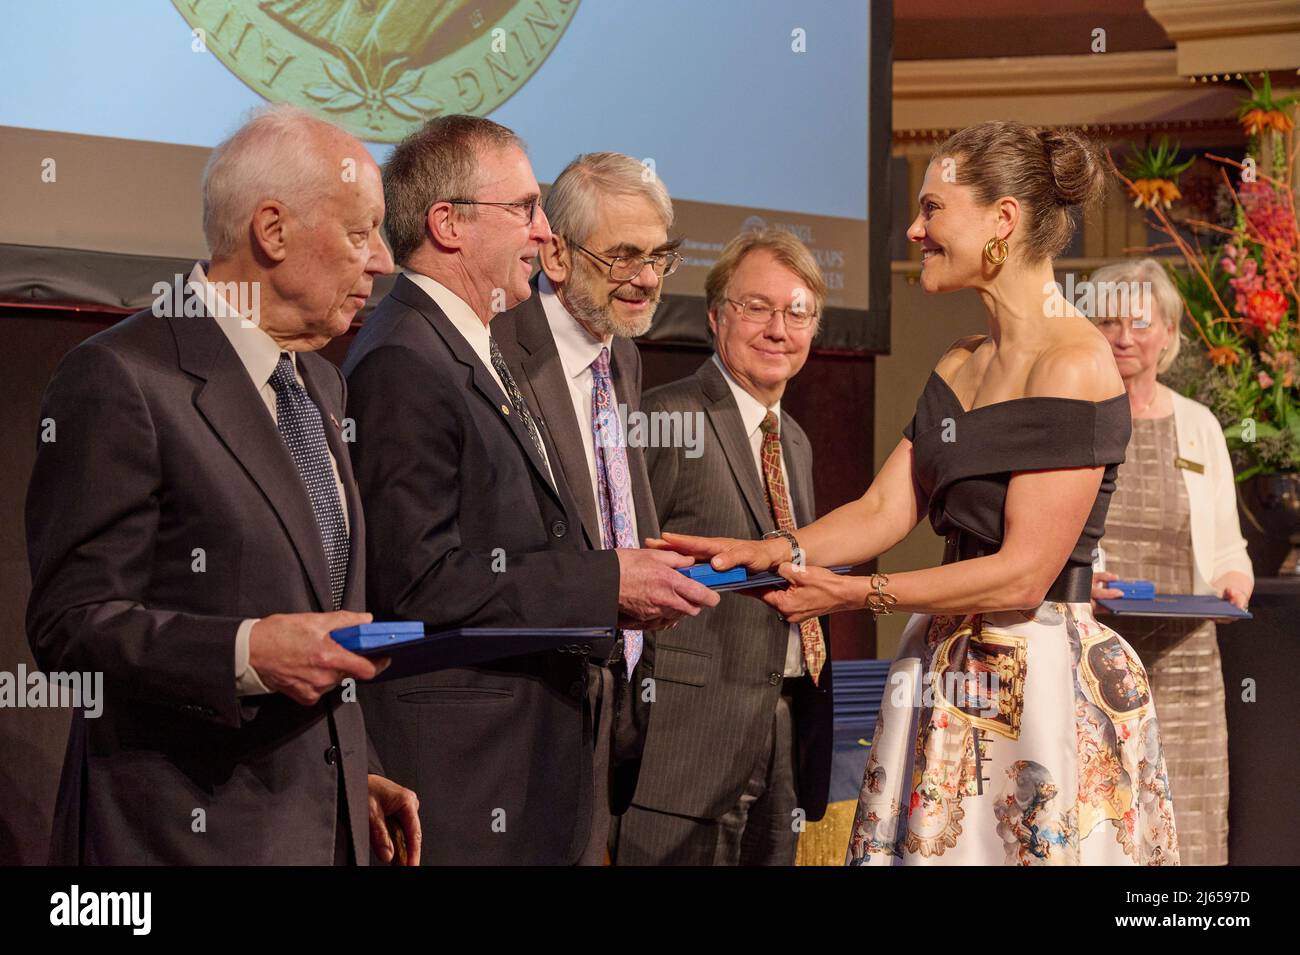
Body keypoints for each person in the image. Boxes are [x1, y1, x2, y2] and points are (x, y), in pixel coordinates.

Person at [661, 122, 1181, 865]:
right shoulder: (960, 361)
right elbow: (883, 509)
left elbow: (1023, 573)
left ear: (1002, 220)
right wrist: (775, 548)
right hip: (945, 660)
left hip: (1035, 680)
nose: (914, 229)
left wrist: (852, 596)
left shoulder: (1075, 363)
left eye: (933, 209)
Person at [24, 104, 420, 865]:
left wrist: (343, 776)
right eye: (361, 232)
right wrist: (248, 651)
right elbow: (70, 626)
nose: (381, 262)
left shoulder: (322, 385)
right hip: (172, 840)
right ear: (272, 231)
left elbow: (315, 616)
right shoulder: (121, 377)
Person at [343, 116, 717, 865]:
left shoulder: (468, 344)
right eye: (524, 208)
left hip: (533, 754)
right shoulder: (404, 359)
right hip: (460, 768)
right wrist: (607, 579)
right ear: (448, 224)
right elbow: (416, 579)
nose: (542, 231)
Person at [616, 228, 834, 866]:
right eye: (756, 307)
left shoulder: (793, 438)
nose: (778, 328)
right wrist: (630, 734)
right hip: (681, 748)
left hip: (787, 727)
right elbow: (626, 575)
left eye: (797, 313)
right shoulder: (664, 417)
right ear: (715, 317)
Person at [491, 152, 680, 861]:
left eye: (660, 255)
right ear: (559, 256)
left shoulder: (622, 357)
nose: (649, 277)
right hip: (527, 705)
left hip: (618, 693)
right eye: (626, 255)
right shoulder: (499, 349)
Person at [1088, 257, 1253, 865]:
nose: (1124, 337)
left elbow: (1228, 545)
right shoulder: (1079, 419)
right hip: (1099, 648)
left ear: (1168, 333)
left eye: (1138, 323)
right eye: (1108, 322)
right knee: (1104, 811)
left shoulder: (1199, 424)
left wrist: (1235, 579)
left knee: (1193, 814)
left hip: (1187, 660)